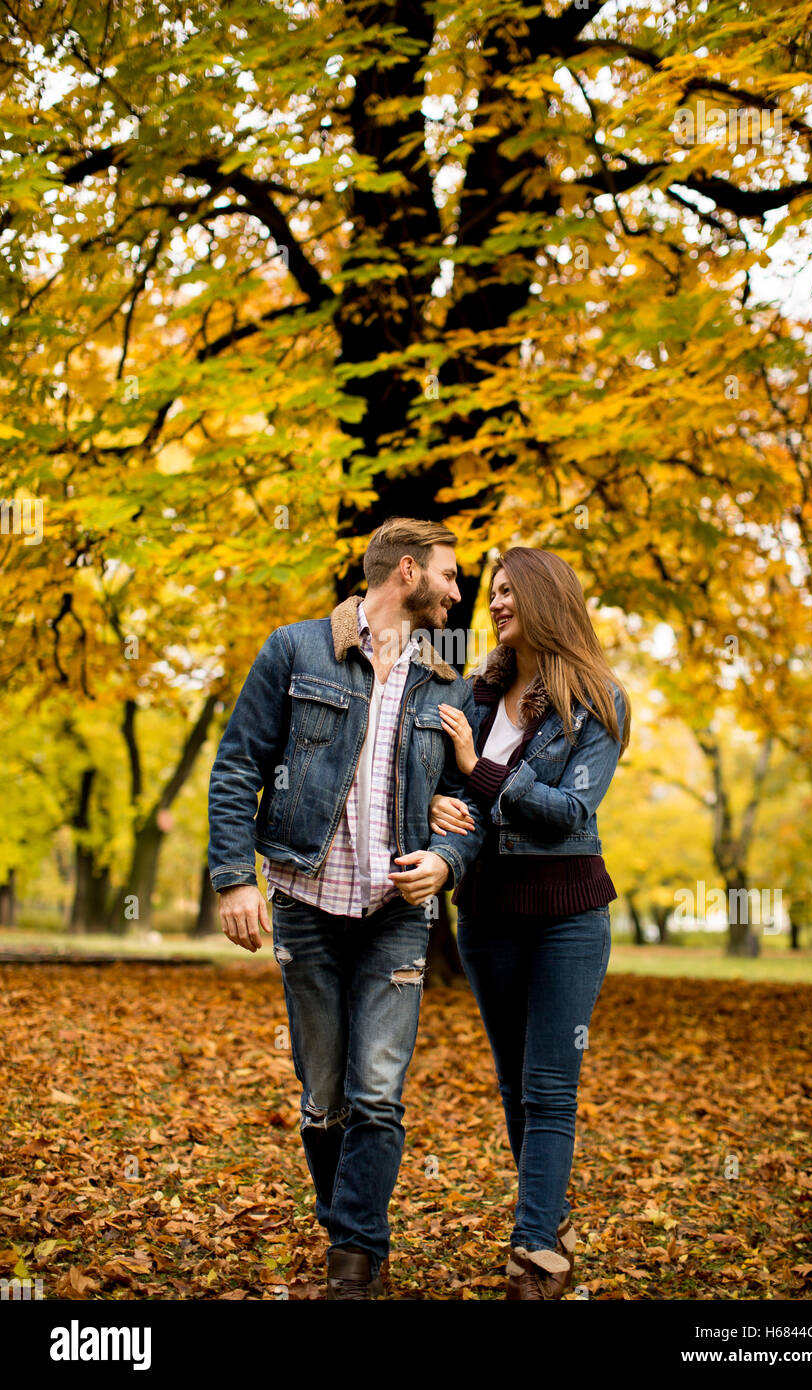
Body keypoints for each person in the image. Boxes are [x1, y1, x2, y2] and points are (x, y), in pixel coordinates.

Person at [207, 517, 485, 1300]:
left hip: (399, 913)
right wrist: (233, 879)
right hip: (306, 903)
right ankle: (349, 1228)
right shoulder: (295, 651)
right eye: (449, 574)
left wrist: (447, 857)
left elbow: (466, 801)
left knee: (377, 1094)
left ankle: (353, 1257)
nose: (457, 591)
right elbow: (238, 766)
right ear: (407, 572)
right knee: (323, 1097)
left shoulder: (448, 684)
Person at [429, 547, 630, 1300]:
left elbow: (569, 812)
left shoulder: (599, 699)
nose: (496, 603)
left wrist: (478, 769)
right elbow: (445, 789)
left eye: (511, 590)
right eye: (493, 591)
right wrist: (437, 799)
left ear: (547, 598)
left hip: (567, 916)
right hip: (486, 912)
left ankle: (533, 1251)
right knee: (515, 1085)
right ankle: (550, 1219)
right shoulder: (474, 693)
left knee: (549, 1087)